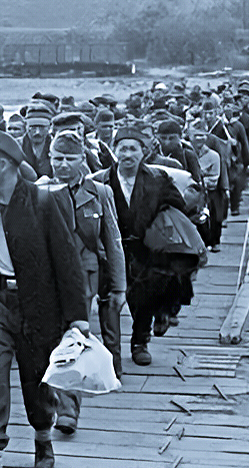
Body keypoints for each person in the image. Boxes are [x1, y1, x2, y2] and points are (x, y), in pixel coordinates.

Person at [0, 128, 88, 468]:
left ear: (4, 165)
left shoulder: (45, 203)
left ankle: (43, 435)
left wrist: (77, 317)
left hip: (38, 308)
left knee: (36, 382)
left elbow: (68, 263)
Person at [38, 130, 127, 433]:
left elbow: (112, 240)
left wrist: (119, 286)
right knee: (49, 340)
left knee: (73, 339)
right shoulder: (39, 191)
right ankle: (51, 402)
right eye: (57, 158)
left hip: (84, 276)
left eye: (70, 159)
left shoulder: (100, 193)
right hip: (47, 277)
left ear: (82, 160)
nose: (63, 164)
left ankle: (69, 409)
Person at [93, 125, 186, 366]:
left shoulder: (158, 178)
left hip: (147, 249)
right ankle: (113, 349)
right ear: (115, 151)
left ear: (143, 152)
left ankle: (139, 342)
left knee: (143, 297)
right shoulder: (101, 180)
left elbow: (177, 206)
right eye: (122, 148)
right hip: (113, 249)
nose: (127, 154)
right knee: (115, 297)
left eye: (133, 149)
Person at [189, 120, 224, 251]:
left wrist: (199, 179)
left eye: (202, 135)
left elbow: (214, 178)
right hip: (192, 192)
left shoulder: (213, 156)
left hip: (208, 192)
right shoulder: (186, 153)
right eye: (196, 135)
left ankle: (213, 242)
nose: (199, 138)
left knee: (214, 213)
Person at [20, 103, 54, 178]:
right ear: (26, 126)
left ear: (49, 127)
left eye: (42, 127)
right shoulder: (16, 146)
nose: (37, 132)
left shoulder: (57, 146)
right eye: (33, 127)